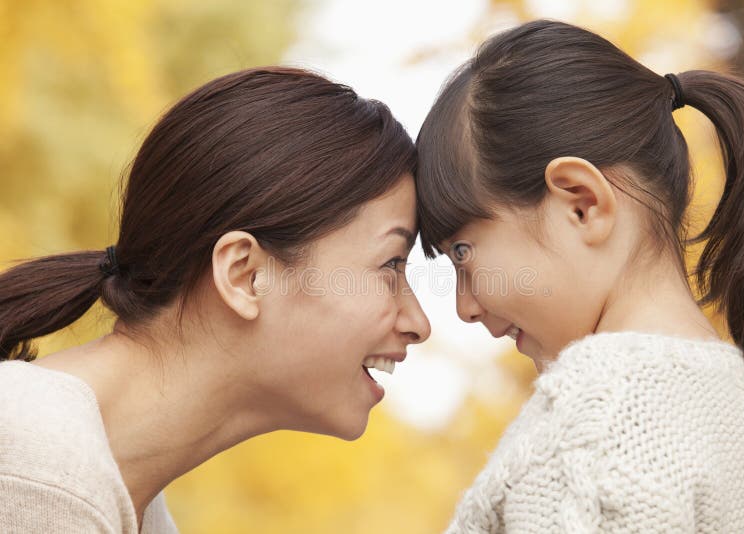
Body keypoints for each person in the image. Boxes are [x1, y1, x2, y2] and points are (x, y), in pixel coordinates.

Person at [0, 66, 430, 533]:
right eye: (390, 265)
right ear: (244, 274)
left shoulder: (114, 495)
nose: (418, 322)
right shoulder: (37, 468)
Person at [415, 19, 744, 532]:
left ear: (581, 205)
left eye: (462, 251)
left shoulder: (595, 427)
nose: (464, 307)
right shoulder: (727, 404)